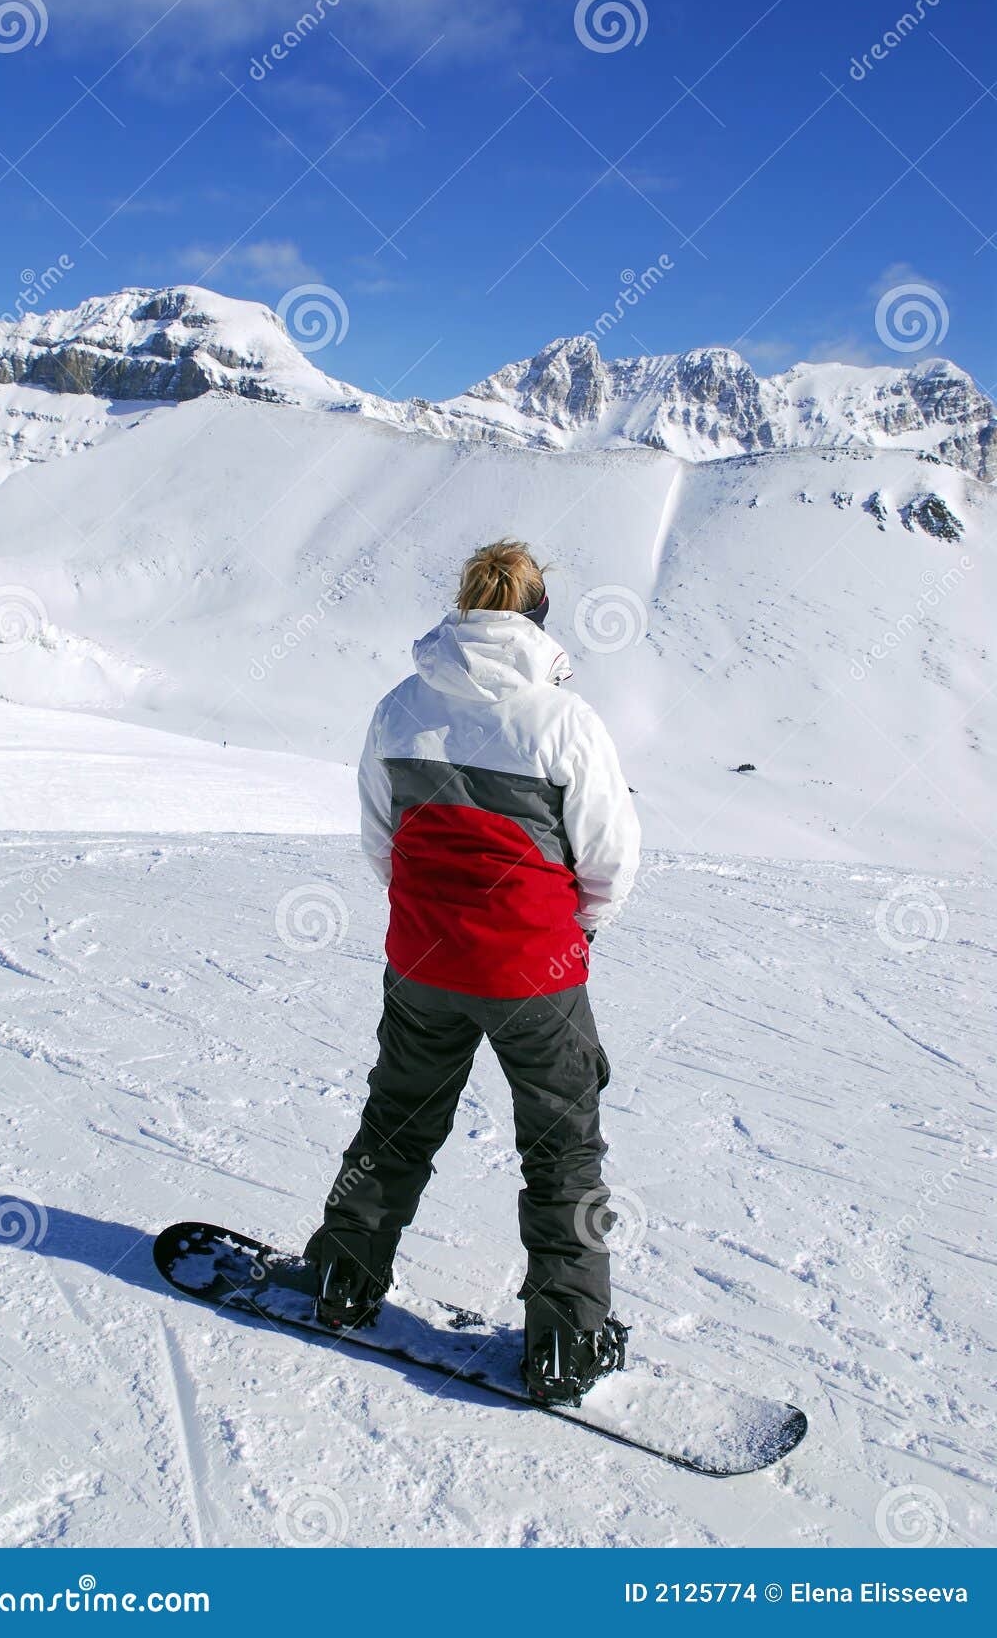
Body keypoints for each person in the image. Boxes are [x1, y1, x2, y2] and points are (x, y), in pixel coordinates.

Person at [304, 539, 642, 1406]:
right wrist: (579, 930)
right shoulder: (562, 719)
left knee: (395, 1122)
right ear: (536, 618)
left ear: (461, 608)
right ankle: (565, 1343)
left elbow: (380, 837)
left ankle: (343, 1277)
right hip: (534, 970)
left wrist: (431, 921)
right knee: (562, 1151)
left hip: (422, 960)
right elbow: (609, 855)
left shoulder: (398, 706)